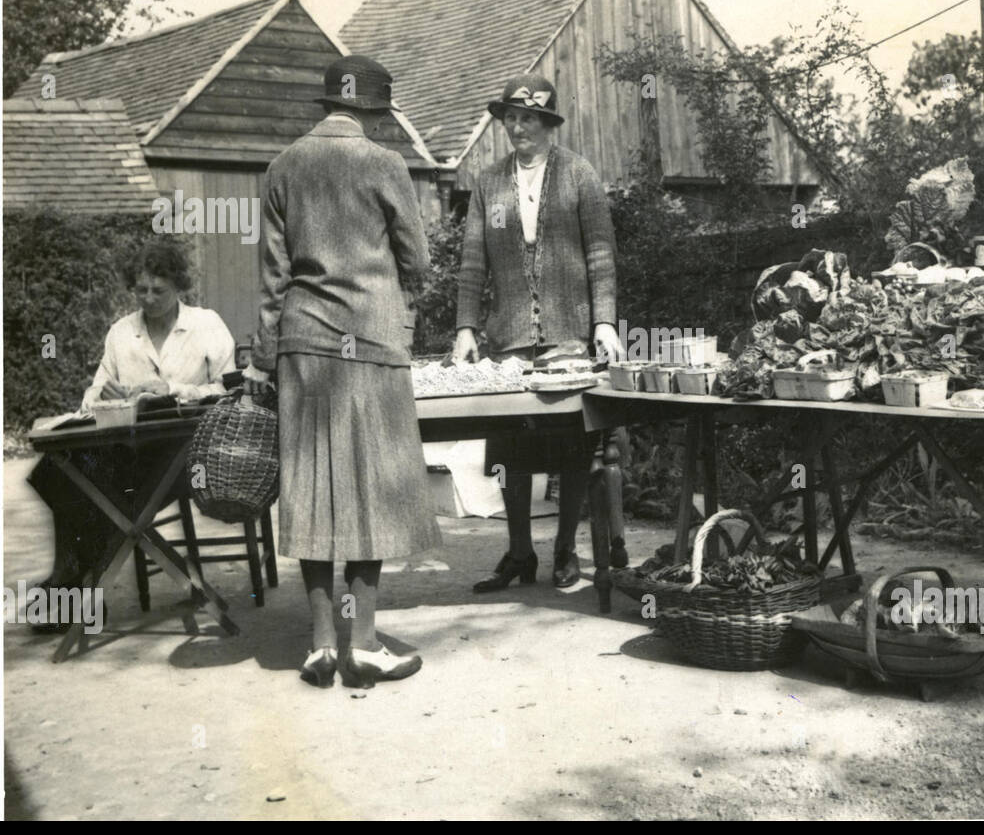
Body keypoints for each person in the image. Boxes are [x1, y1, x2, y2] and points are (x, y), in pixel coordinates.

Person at [243, 54, 439, 689]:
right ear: (374, 115)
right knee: (371, 488)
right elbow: (418, 260)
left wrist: (265, 357)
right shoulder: (383, 164)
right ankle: (366, 644)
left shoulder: (283, 166)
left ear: (327, 106)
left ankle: (321, 646)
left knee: (313, 488)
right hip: (373, 340)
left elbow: (273, 279)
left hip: (303, 343)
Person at [453, 73, 622, 593]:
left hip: (570, 334)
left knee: (573, 446)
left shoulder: (579, 175)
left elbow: (600, 253)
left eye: (528, 118)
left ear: (548, 124)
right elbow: (473, 259)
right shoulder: (489, 183)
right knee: (510, 450)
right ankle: (519, 553)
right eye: (510, 117)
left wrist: (605, 321)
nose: (517, 126)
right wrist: (465, 326)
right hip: (509, 339)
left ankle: (566, 550)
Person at [26, 240, 236, 628]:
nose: (150, 299)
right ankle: (79, 580)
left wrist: (174, 390)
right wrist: (102, 394)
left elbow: (228, 390)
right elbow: (92, 394)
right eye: (141, 290)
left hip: (185, 453)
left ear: (179, 286)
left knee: (94, 487)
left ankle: (79, 587)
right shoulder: (122, 332)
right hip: (127, 451)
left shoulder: (206, 324)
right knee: (57, 471)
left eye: (159, 290)